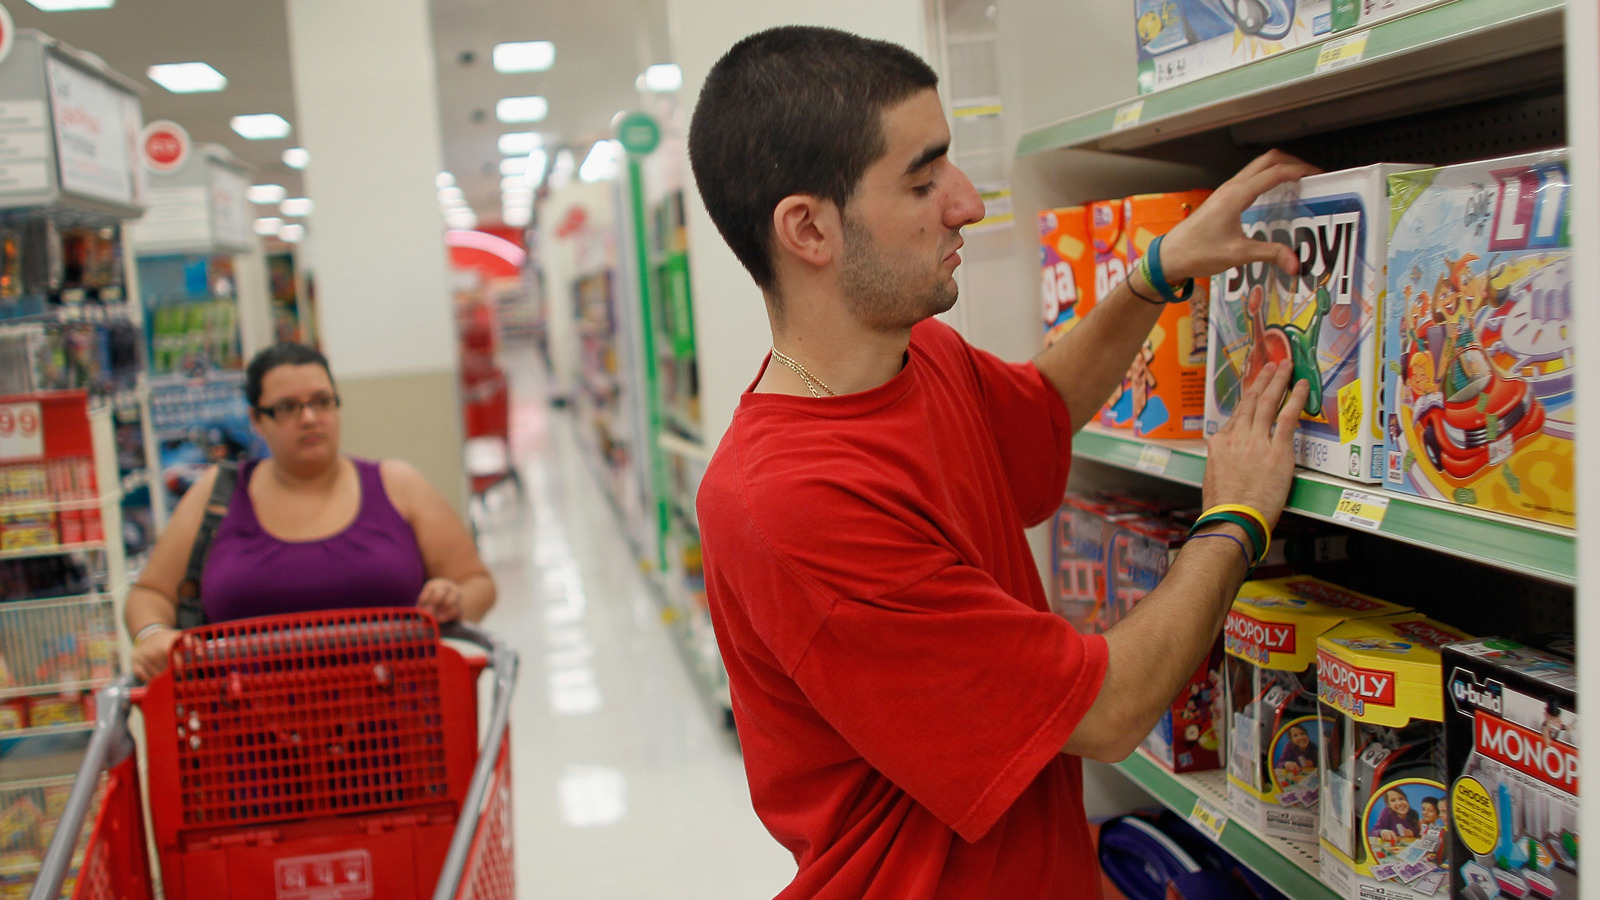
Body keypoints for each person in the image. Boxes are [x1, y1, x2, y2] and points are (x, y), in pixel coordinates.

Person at [687, 25, 1315, 899]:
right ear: (808, 228)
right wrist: (1234, 519)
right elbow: (1108, 710)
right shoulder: (792, 503)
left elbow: (1043, 411)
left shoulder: (919, 355)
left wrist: (1155, 272)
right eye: (922, 178)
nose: (967, 203)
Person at [125, 343, 496, 680]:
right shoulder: (217, 495)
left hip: (399, 734)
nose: (309, 418)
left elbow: (477, 584)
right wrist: (152, 634)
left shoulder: (399, 486)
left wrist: (453, 601)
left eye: (322, 401)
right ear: (257, 420)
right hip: (245, 740)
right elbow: (150, 593)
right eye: (287, 407)